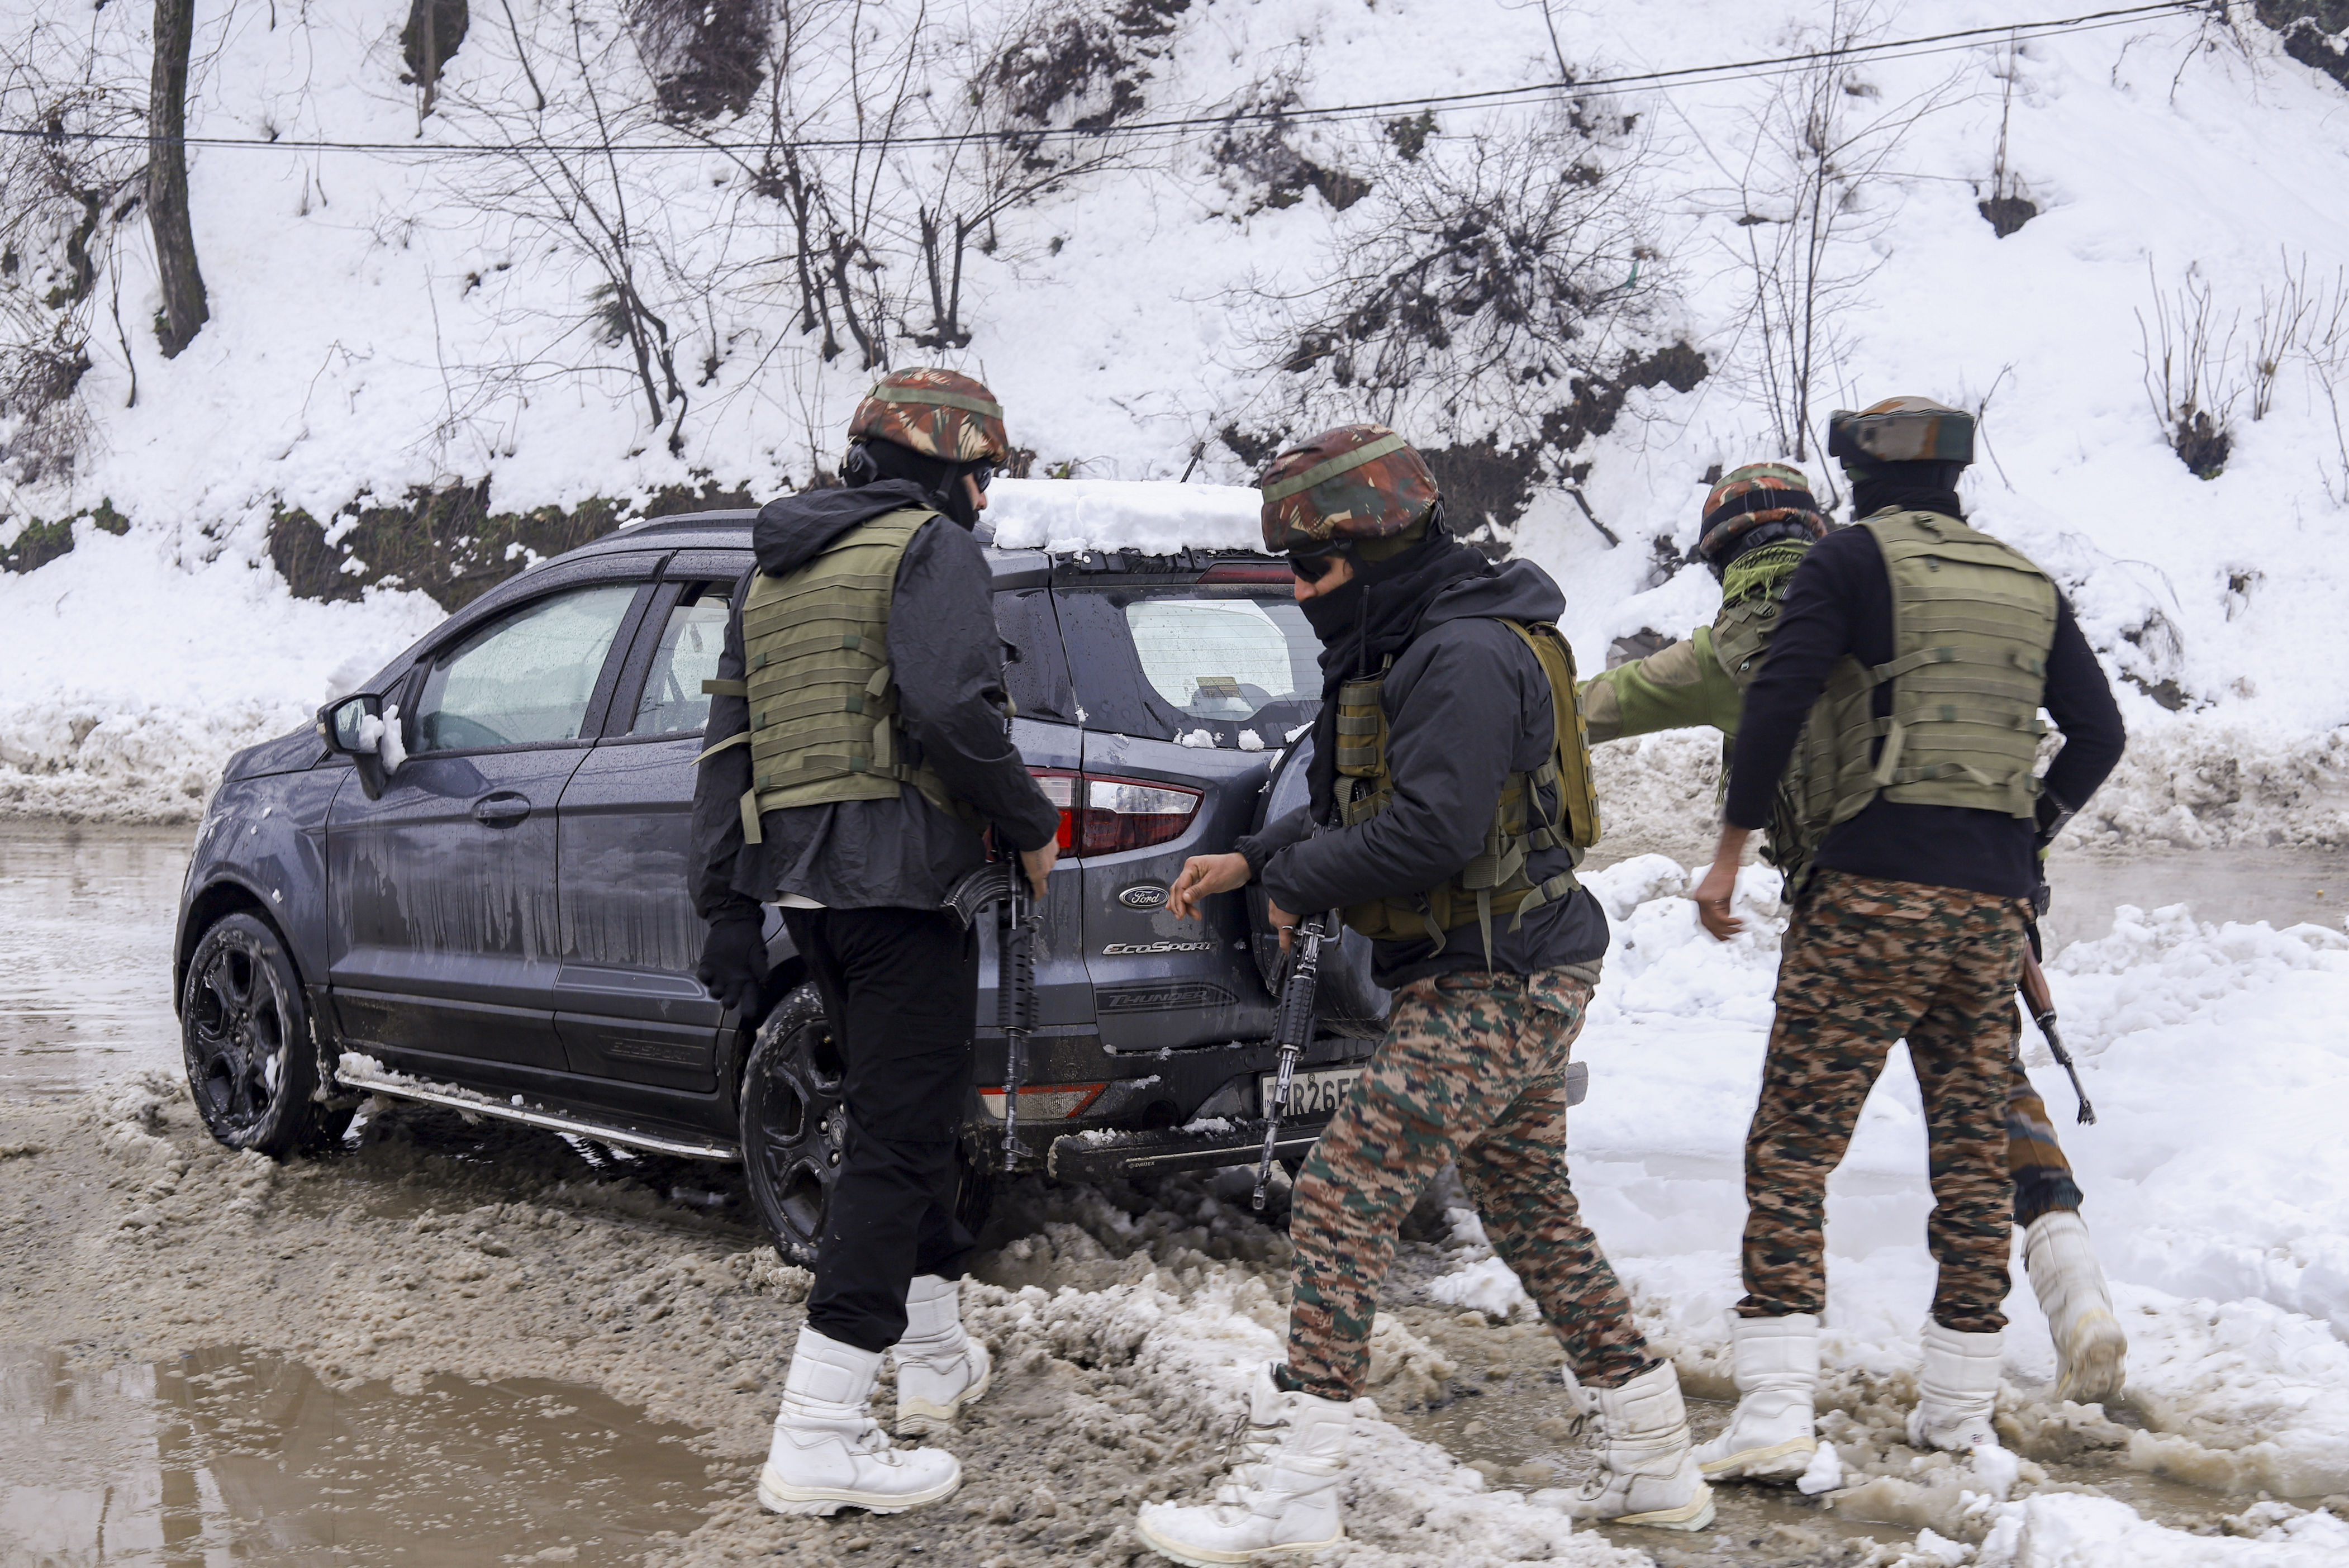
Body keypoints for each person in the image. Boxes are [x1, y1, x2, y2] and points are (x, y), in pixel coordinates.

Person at [1140, 424, 1713, 1565]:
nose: (1298, 592)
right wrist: (1259, 858)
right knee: (1529, 1209)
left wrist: (1300, 877)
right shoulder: (1418, 635)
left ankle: (1295, 1495)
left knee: (1342, 1191)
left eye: (1308, 568)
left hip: (1497, 973)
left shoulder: (1454, 652)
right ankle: (1653, 1461)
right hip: (1497, 963)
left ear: (1367, 548)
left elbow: (1431, 827)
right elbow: (1375, 797)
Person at [1581, 459, 2132, 1448]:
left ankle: (1775, 1412)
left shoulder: (1742, 639)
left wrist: (1726, 850)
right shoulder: (1919, 595)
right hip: (1988, 884)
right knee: (1982, 1128)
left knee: (1793, 1147)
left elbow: (1598, 707)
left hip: (1864, 898)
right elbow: (2062, 732)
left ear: (1720, 557)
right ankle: (2043, 1318)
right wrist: (2026, 844)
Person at [689, 367, 1062, 1516]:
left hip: (812, 901)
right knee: (897, 1145)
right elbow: (954, 710)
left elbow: (723, 750)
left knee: (911, 1117)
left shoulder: (776, 568)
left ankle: (935, 1354)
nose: (986, 502)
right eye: (981, 476)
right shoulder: (927, 548)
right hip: (906, 894)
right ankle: (817, 1433)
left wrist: (721, 905)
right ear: (942, 470)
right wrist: (1030, 821)